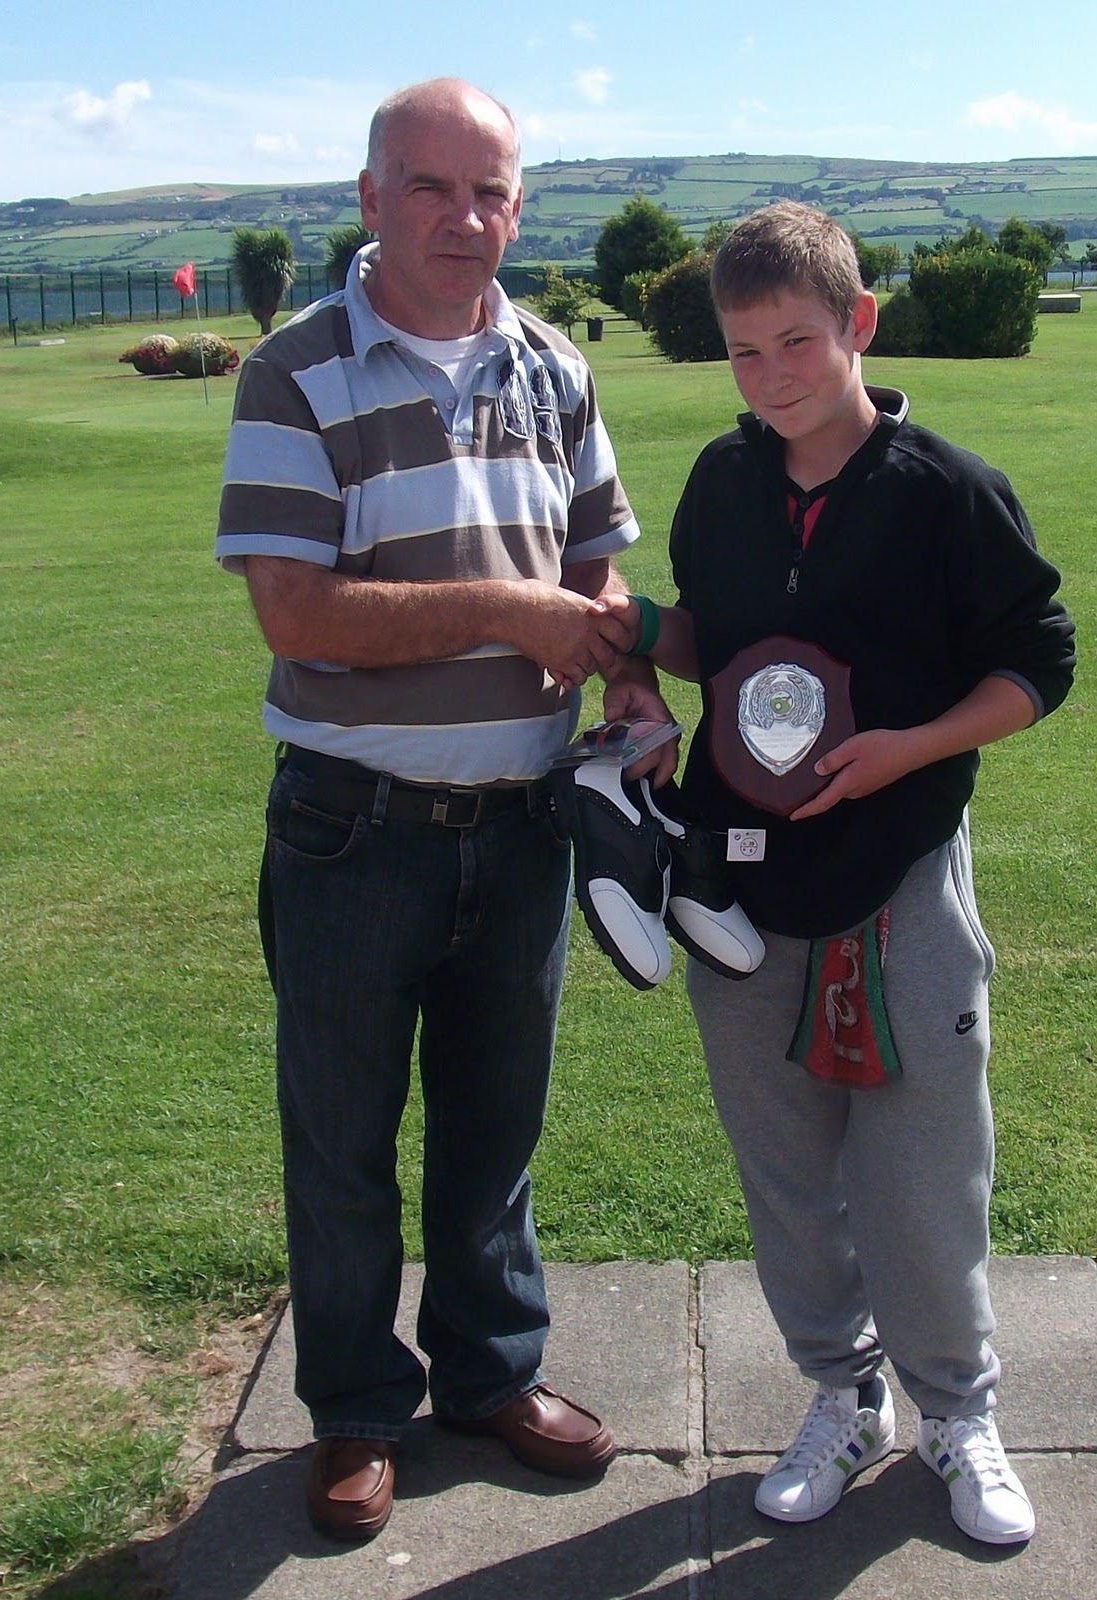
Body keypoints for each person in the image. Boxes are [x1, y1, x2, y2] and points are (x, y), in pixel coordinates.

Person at [214, 77, 671, 1542]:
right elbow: (294, 611)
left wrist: (628, 678)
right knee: (340, 1142)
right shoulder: (294, 371)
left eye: (491, 193)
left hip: (529, 824)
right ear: (370, 199)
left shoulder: (552, 363)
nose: (464, 219)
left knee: (496, 1130)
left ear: (517, 209)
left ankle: (487, 1377)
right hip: (353, 829)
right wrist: (508, 611)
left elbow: (600, 561)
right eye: (431, 188)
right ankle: (353, 1410)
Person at [618, 202, 1075, 1545]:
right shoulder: (720, 479)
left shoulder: (949, 490)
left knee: (927, 1164)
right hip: (739, 883)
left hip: (903, 867)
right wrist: (635, 633)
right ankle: (841, 1392)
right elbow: (728, 646)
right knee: (786, 1171)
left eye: (796, 344)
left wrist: (911, 750)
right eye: (743, 352)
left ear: (860, 327)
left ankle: (959, 1411)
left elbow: (1038, 662)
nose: (768, 379)